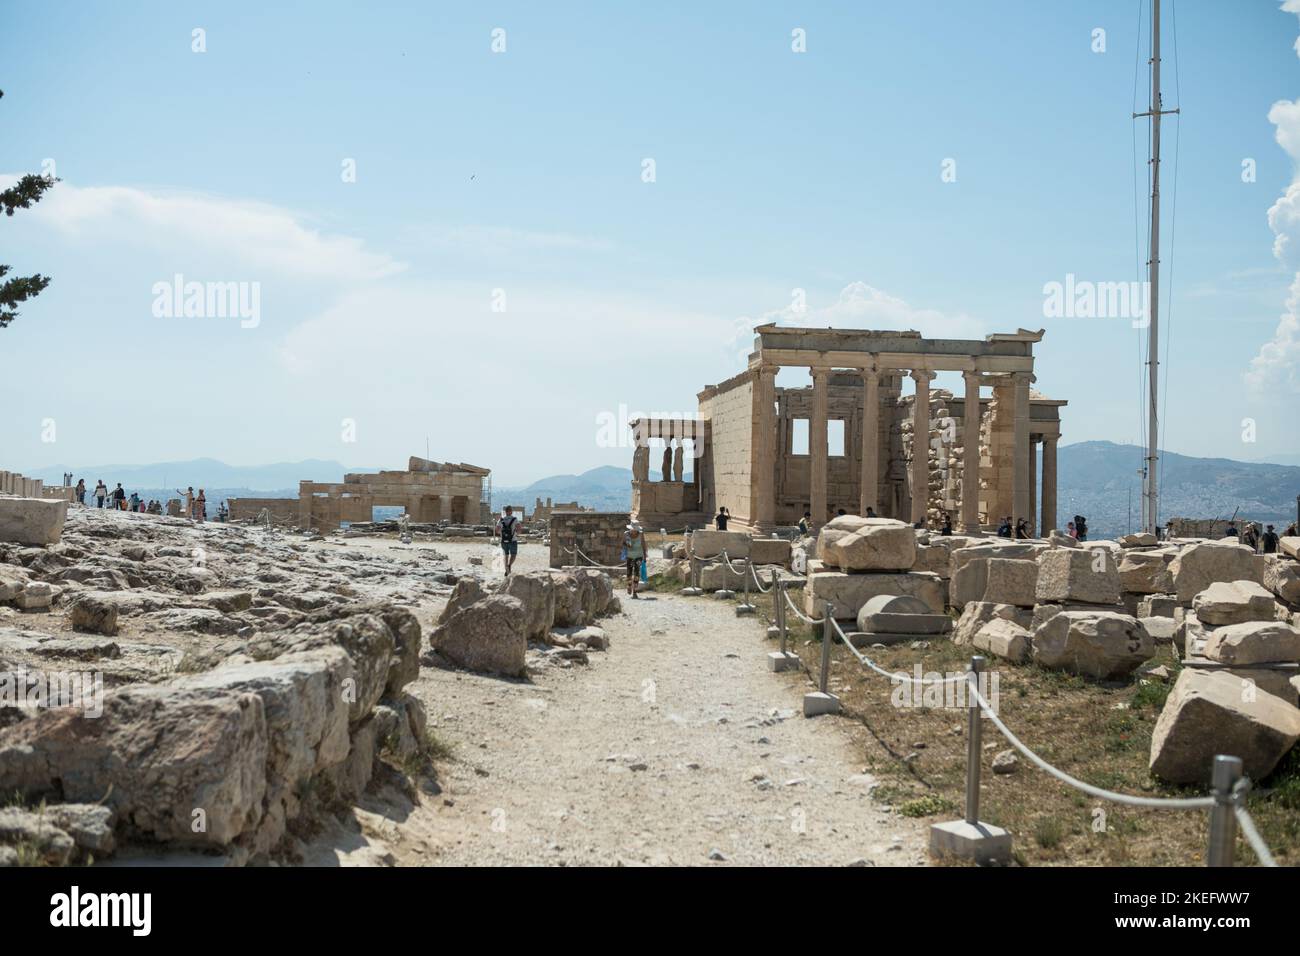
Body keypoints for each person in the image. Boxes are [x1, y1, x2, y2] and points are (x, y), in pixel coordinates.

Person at [623, 522, 646, 598]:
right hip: (629, 556)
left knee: (637, 573)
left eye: (635, 529)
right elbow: (627, 546)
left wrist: (645, 556)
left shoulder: (641, 534)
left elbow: (643, 544)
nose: (634, 531)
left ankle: (635, 591)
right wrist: (627, 540)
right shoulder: (626, 534)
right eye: (633, 529)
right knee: (629, 572)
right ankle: (629, 586)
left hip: (639, 556)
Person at [496, 505, 520, 575]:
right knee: (513, 554)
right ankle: (509, 565)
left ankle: (506, 568)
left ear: (505, 512)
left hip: (503, 540)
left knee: (505, 555)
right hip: (513, 540)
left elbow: (497, 530)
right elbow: (519, 528)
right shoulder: (515, 519)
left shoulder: (501, 520)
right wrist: (516, 533)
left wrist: (501, 533)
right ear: (511, 511)